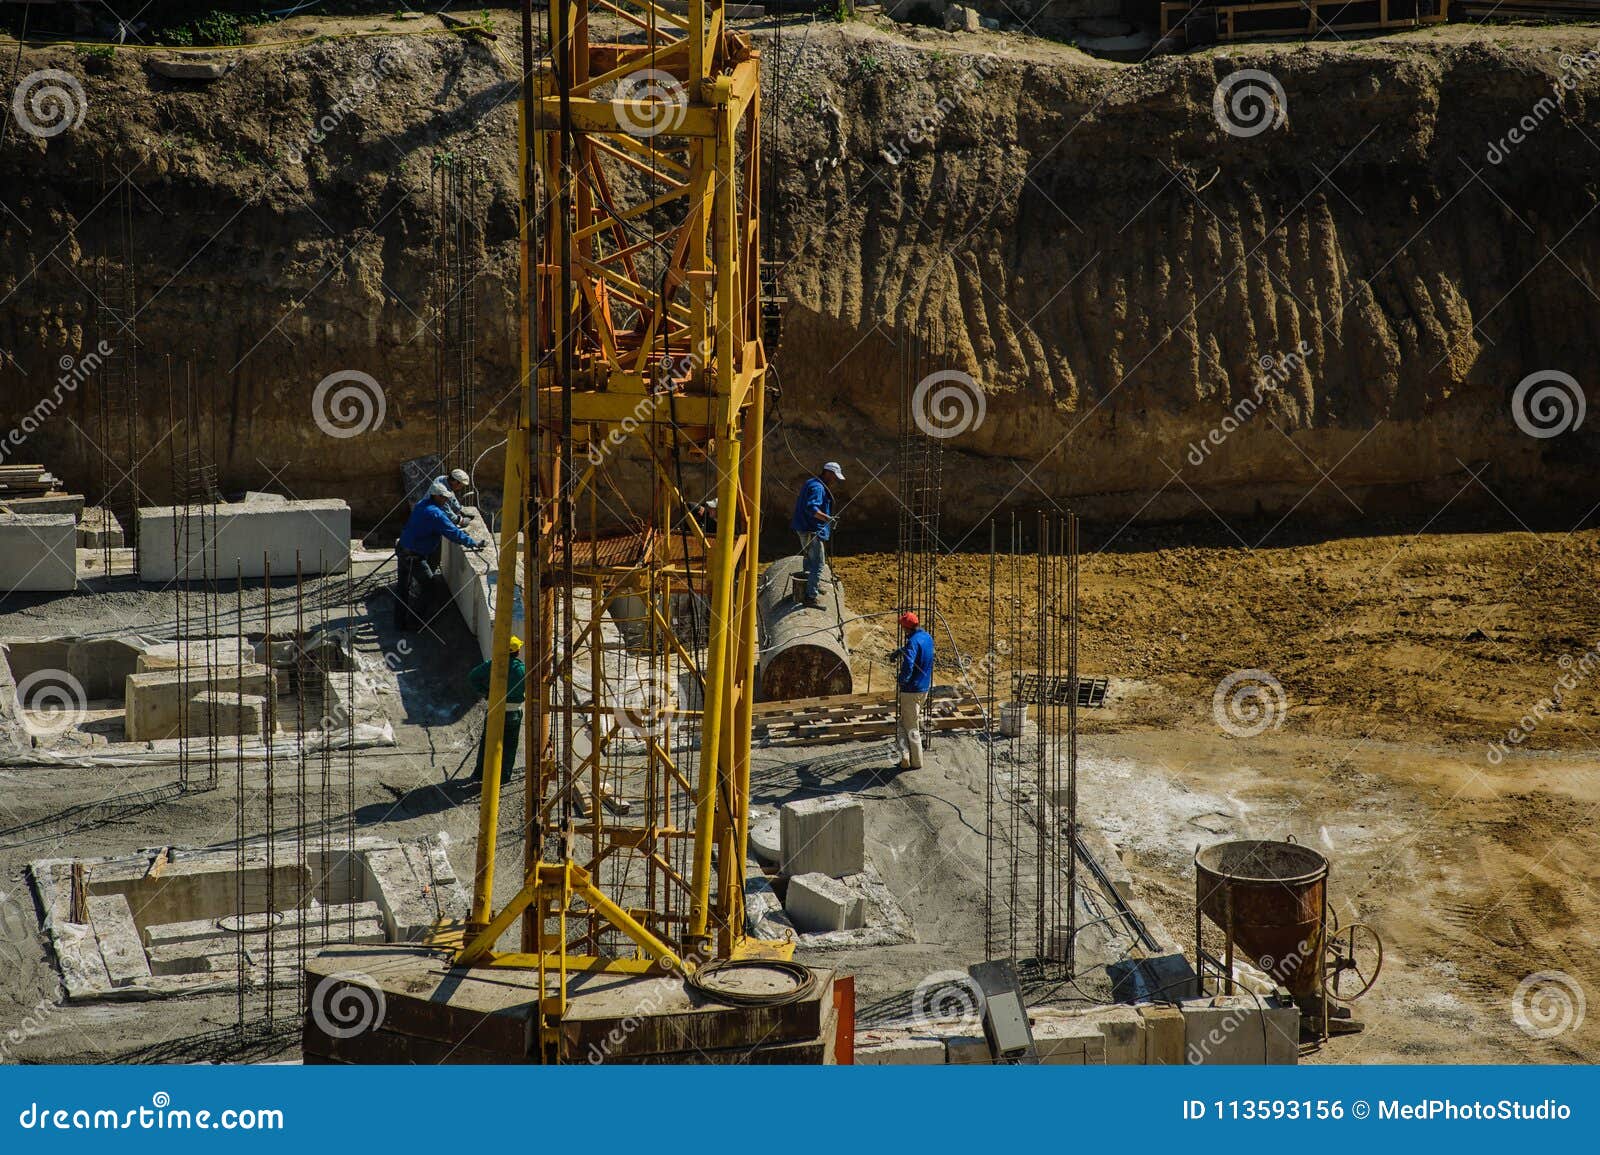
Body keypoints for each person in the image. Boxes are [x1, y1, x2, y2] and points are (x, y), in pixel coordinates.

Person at [395, 480, 485, 630]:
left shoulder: (422, 504)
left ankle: (399, 622)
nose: (446, 500)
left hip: (403, 549)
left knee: (403, 587)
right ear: (436, 496)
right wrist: (472, 543)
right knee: (429, 588)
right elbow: (453, 533)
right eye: (443, 497)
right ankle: (414, 623)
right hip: (414, 557)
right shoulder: (435, 514)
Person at [468, 635, 526, 783]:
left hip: (495, 709)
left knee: (488, 742)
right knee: (509, 745)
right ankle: (504, 776)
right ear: (517, 652)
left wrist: (486, 692)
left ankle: (480, 773)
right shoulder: (522, 669)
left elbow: (472, 677)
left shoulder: (493, 664)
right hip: (514, 712)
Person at [789, 461, 844, 608]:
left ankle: (809, 585)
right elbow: (811, 508)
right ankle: (810, 596)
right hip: (811, 530)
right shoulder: (818, 487)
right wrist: (828, 518)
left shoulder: (811, 482)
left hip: (804, 528)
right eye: (834, 477)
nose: (835, 480)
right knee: (819, 563)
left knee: (809, 557)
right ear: (828, 473)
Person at [893, 610, 934, 770]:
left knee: (911, 727)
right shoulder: (927, 637)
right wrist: (901, 651)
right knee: (904, 723)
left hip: (911, 691)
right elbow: (919, 652)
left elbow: (909, 664)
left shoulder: (912, 642)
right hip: (924, 688)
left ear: (907, 629)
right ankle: (905, 755)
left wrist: (902, 680)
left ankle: (915, 762)